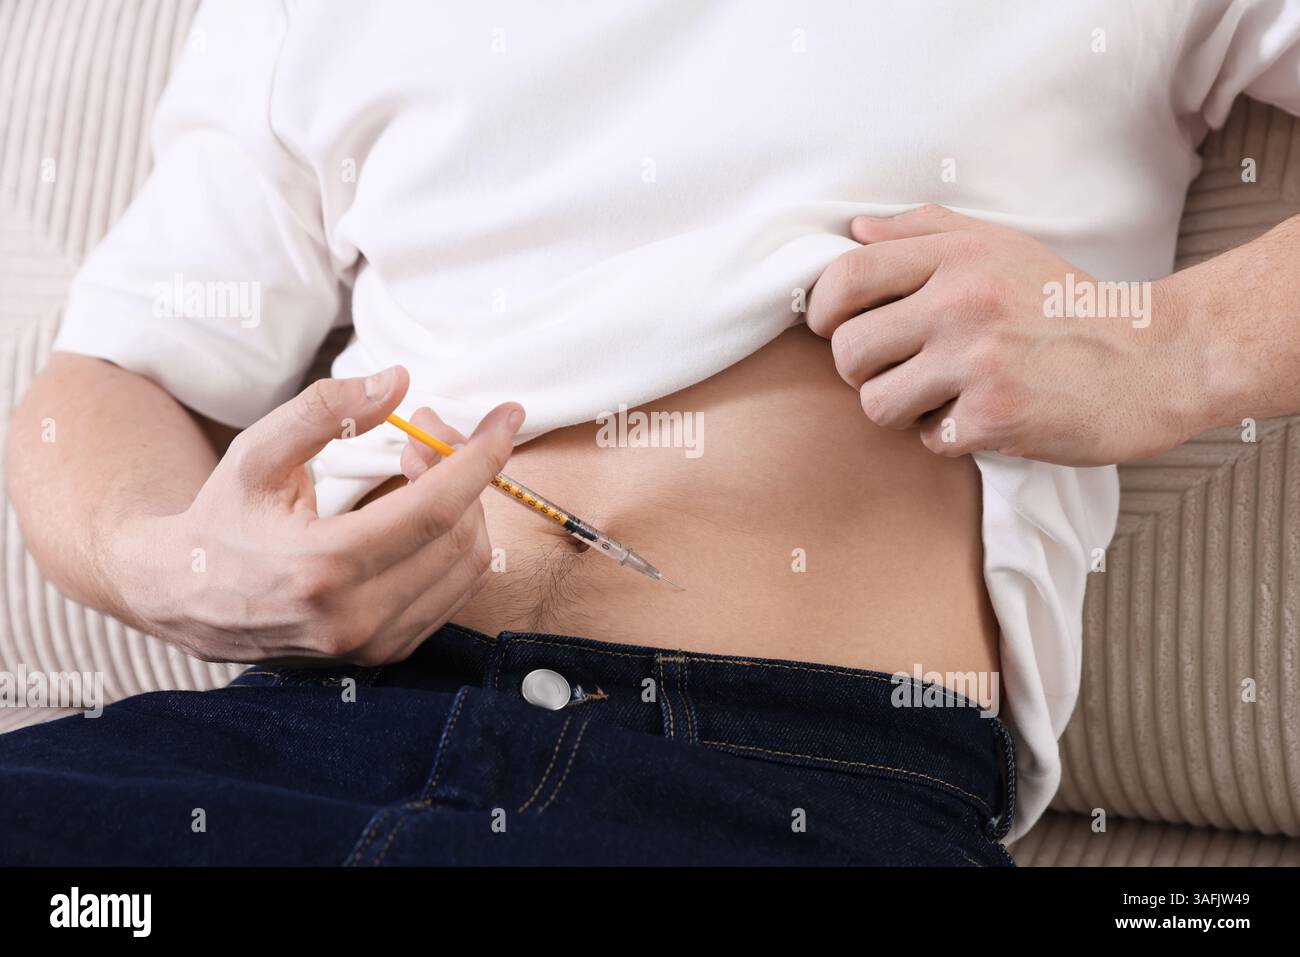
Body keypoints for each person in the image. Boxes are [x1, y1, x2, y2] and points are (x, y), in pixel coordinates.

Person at [3, 0, 1298, 865]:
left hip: (782, 782)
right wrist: (171, 562)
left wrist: (1174, 345)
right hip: (287, 736)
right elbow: (115, 372)